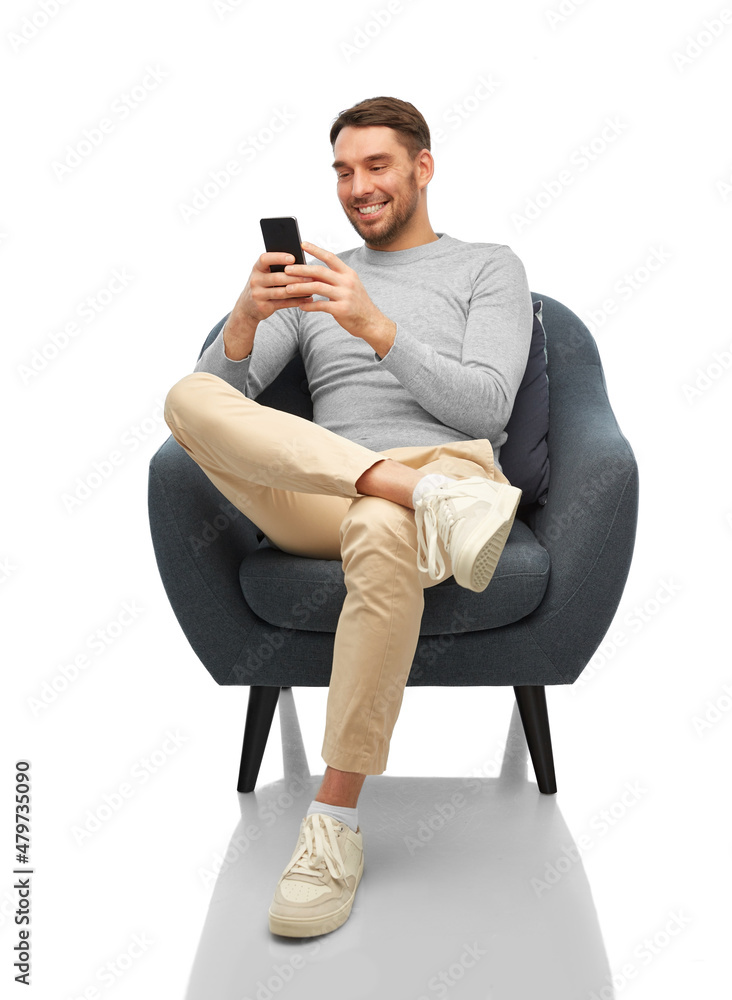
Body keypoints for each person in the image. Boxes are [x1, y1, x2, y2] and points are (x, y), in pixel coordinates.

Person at [163, 95, 533, 938]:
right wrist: (247, 316)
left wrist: (374, 326)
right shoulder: (312, 282)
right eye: (341, 170)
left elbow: (487, 408)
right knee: (184, 394)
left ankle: (332, 823)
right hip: (336, 490)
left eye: (376, 165)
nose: (357, 186)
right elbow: (217, 408)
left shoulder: (488, 267)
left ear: (422, 167)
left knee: (379, 526)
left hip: (447, 468)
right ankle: (418, 499)